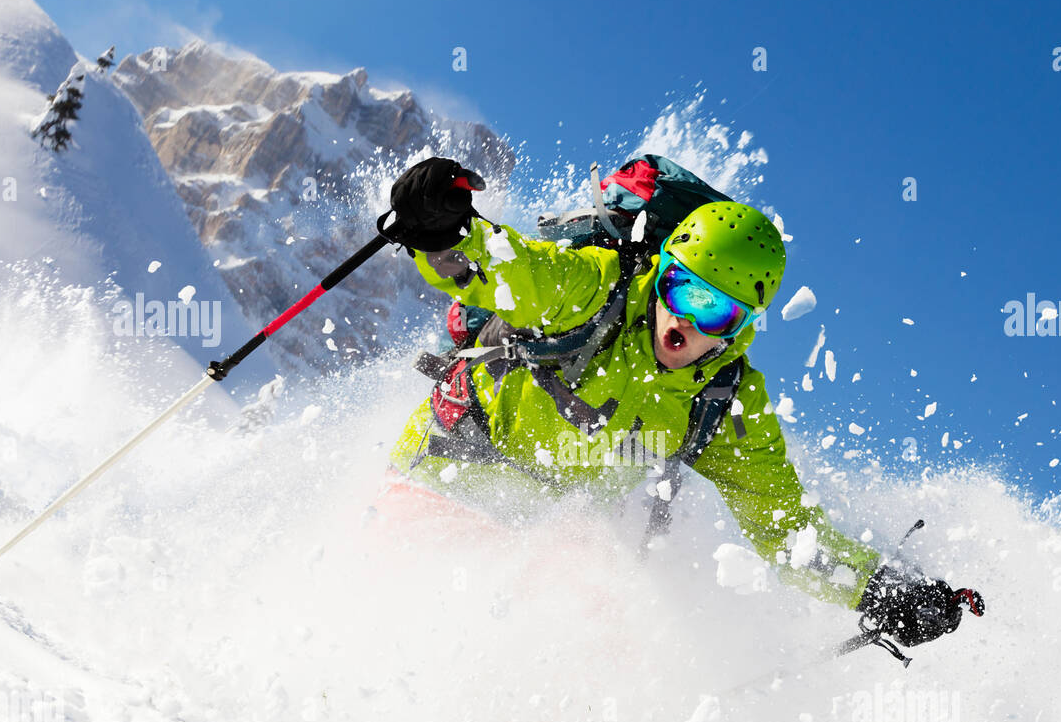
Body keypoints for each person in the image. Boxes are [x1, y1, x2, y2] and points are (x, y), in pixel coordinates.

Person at [382, 157, 981, 648]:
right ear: (661, 269)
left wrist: (882, 592)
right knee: (446, 615)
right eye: (680, 288)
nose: (683, 320)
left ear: (738, 328)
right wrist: (444, 230)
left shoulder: (725, 403)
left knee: (598, 616)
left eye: (714, 310)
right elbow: (509, 270)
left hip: (548, 523)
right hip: (451, 469)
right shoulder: (596, 290)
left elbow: (789, 533)